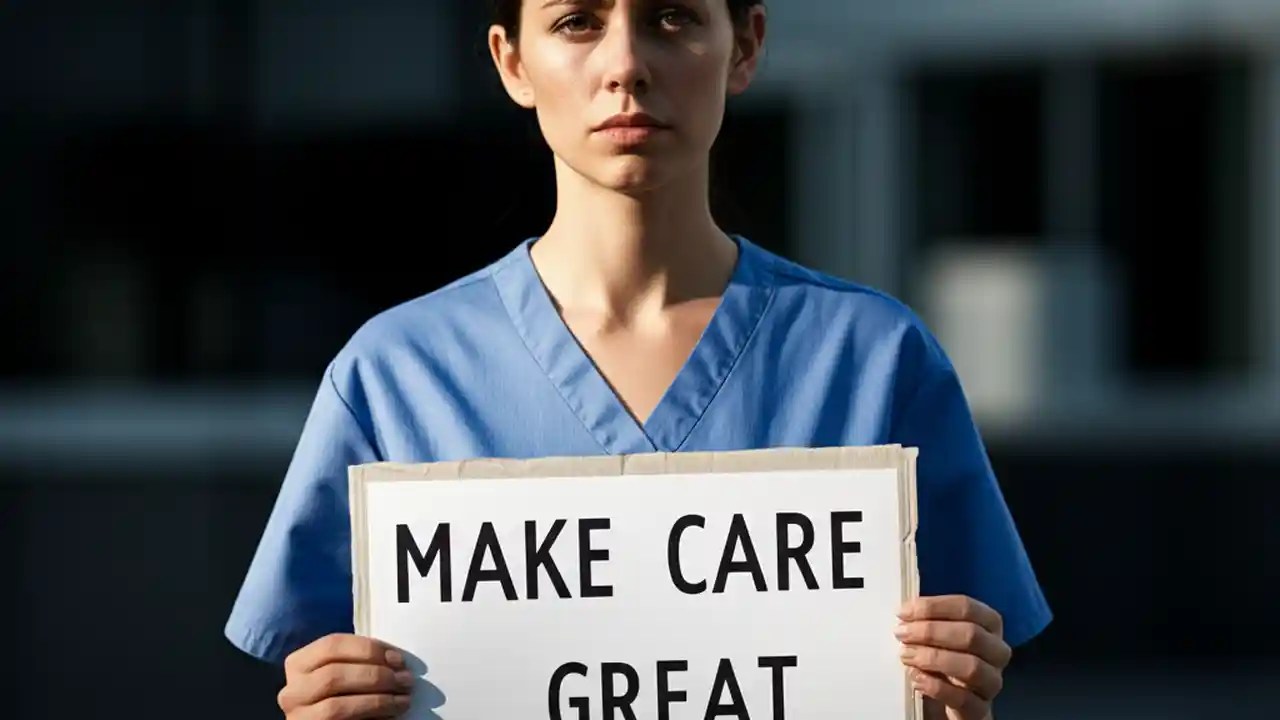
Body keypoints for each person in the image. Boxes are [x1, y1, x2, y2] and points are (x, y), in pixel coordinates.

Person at [224, 1, 1053, 718]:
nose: (626, 65)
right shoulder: (395, 375)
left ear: (746, 46)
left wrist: (950, 699)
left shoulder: (873, 357)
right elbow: (331, 662)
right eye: (577, 23)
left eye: (672, 18)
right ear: (511, 62)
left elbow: (941, 670)